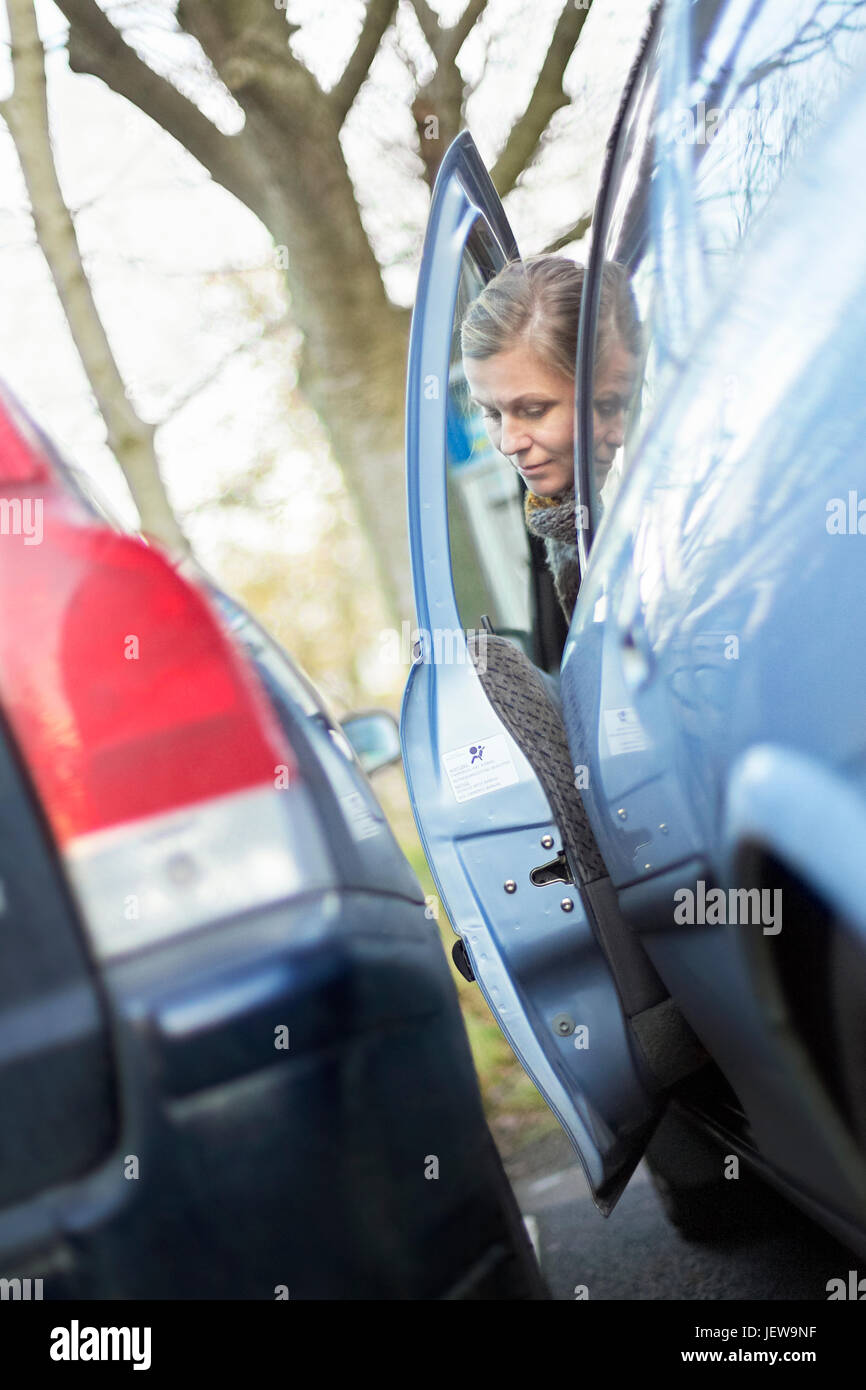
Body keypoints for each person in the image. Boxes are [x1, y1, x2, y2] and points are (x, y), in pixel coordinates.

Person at [461, 254, 640, 623]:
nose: (509, 443)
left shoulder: (662, 519)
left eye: (533, 410)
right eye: (493, 414)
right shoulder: (566, 523)